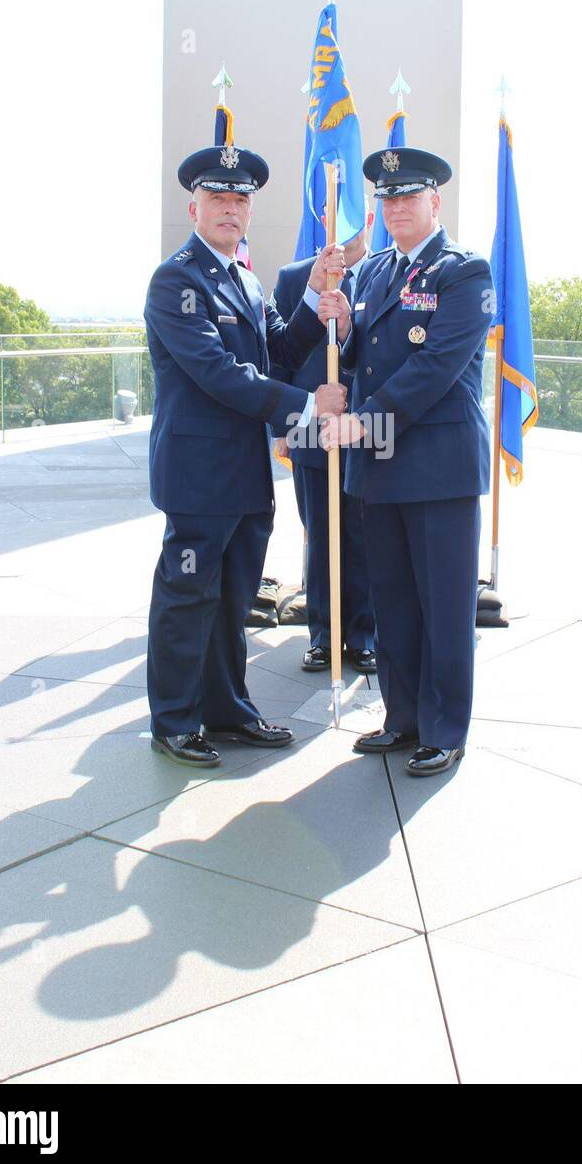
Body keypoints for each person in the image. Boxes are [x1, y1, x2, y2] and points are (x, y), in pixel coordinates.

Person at [144, 143, 351, 767]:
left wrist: (316, 297)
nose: (231, 209)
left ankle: (227, 709)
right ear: (195, 206)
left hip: (244, 472)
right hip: (197, 475)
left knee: (233, 598)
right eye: (219, 197)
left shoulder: (246, 279)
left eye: (241, 200)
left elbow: (276, 351)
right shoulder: (177, 279)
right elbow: (218, 372)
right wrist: (312, 407)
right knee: (188, 596)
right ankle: (175, 721)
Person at [319, 146, 495, 776]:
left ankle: (445, 728)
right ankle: (403, 717)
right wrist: (338, 325)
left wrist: (359, 423)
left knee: (443, 605)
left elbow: (433, 371)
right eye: (386, 199)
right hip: (384, 464)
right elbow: (362, 356)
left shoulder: (464, 271)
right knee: (394, 601)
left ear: (434, 202)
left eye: (406, 197)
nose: (395, 207)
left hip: (438, 466)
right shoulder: (371, 274)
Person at [270, 200, 381, 674]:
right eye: (338, 218)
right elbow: (280, 357)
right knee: (320, 534)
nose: (345, 230)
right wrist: (281, 429)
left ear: (369, 221)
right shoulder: (295, 276)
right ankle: (322, 635)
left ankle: (363, 635)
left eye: (355, 220)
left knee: (364, 534)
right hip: (310, 425)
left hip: (371, 427)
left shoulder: (387, 275)